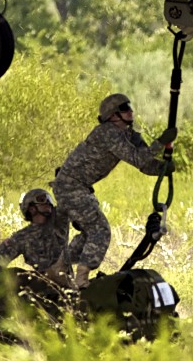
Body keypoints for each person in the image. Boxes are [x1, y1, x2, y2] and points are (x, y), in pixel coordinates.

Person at [50, 92, 171, 290]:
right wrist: (161, 142)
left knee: (91, 231)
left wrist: (163, 169)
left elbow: (144, 164)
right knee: (100, 229)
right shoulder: (107, 132)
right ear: (113, 115)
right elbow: (138, 158)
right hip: (70, 185)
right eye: (125, 108)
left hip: (75, 186)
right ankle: (81, 280)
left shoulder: (129, 135)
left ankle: (59, 267)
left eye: (130, 107)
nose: (130, 111)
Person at [0, 187, 70, 281]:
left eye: (49, 199)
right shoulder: (22, 237)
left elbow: (68, 203)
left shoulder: (59, 224)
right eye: (42, 200)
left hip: (68, 284)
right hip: (43, 287)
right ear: (31, 209)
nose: (48, 203)